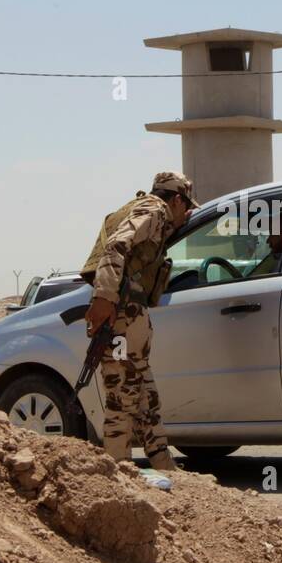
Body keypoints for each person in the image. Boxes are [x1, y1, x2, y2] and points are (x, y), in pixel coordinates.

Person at [81, 171, 196, 470]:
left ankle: (162, 463)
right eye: (186, 206)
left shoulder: (145, 211)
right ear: (175, 199)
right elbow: (117, 246)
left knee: (144, 390)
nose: (187, 213)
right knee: (122, 393)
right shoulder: (154, 210)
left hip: (128, 317)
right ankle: (117, 469)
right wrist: (105, 298)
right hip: (121, 317)